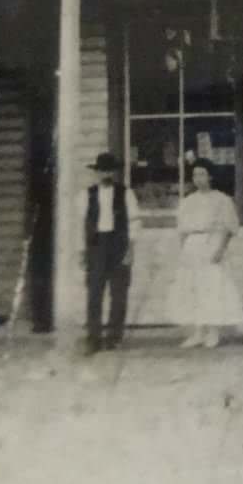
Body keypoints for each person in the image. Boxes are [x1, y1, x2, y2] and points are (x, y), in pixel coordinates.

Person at [167, 160, 243, 348]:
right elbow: (182, 230)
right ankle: (198, 332)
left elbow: (229, 228)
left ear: (210, 176)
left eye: (202, 174)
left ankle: (213, 332)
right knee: (193, 288)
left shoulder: (222, 199)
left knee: (212, 287)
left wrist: (220, 249)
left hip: (212, 244)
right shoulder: (188, 201)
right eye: (195, 175)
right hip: (193, 246)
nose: (198, 179)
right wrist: (184, 251)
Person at [82, 151, 141, 354]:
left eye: (109, 171)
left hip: (119, 246)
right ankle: (93, 338)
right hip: (96, 246)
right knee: (94, 294)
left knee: (119, 294)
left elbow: (134, 222)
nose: (105, 175)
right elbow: (79, 225)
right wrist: (82, 252)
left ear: (114, 173)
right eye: (101, 171)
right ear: (96, 173)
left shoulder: (126, 193)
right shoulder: (86, 195)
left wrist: (131, 250)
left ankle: (114, 337)